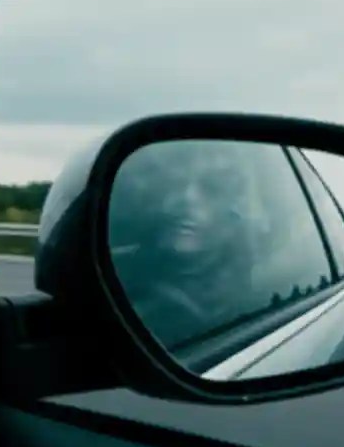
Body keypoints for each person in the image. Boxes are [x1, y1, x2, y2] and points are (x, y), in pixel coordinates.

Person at [106, 140, 262, 352]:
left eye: (211, 189)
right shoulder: (114, 266)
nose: (187, 198)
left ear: (235, 212)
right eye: (175, 185)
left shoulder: (246, 295)